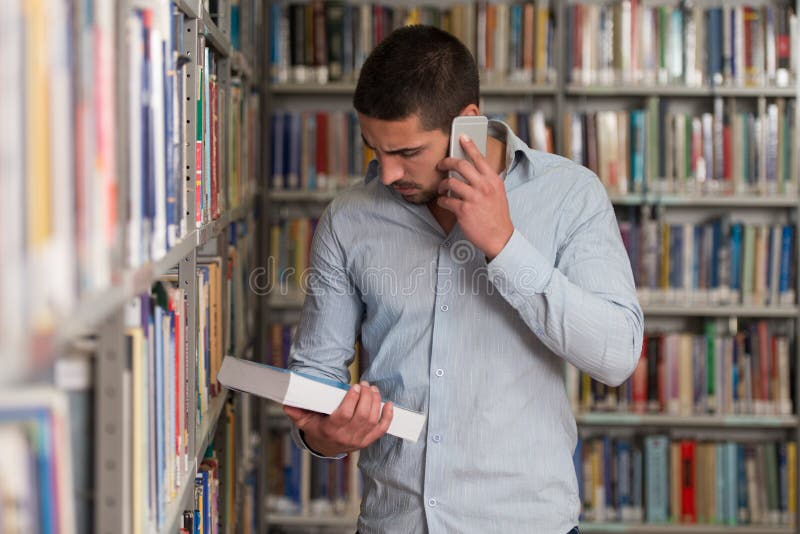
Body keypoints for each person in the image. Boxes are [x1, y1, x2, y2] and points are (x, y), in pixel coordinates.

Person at [282, 24, 643, 534]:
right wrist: (328, 437)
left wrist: (504, 244)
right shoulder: (349, 218)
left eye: (407, 153)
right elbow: (316, 379)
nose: (386, 175)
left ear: (466, 125)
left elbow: (616, 357)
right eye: (374, 149)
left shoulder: (572, 196)